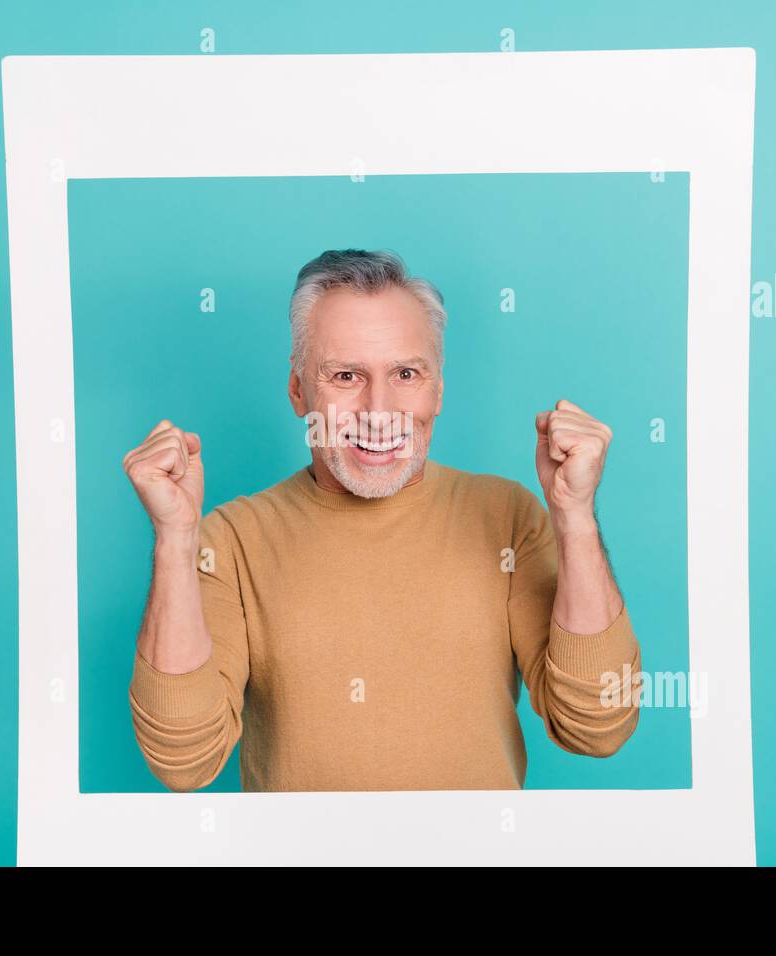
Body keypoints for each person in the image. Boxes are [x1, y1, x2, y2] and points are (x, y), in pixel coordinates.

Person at [123, 248, 642, 792]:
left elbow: (598, 726)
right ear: (299, 391)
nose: (378, 410)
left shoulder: (507, 517)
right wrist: (175, 541)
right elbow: (183, 761)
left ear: (437, 390)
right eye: (346, 375)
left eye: (406, 373)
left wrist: (576, 517)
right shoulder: (230, 540)